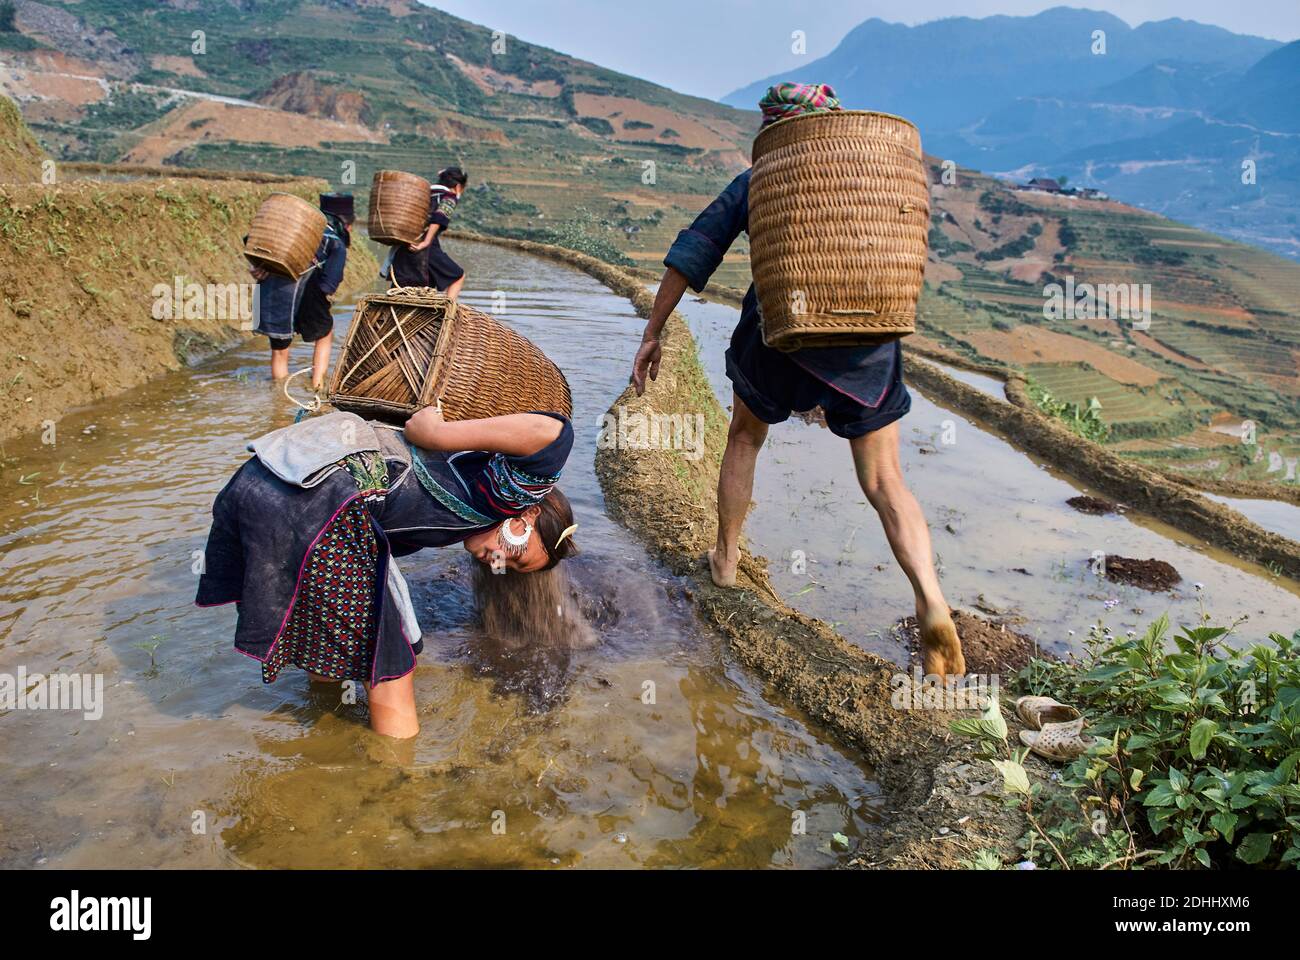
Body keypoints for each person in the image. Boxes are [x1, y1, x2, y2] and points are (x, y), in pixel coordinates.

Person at [630, 82, 966, 678]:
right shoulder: (875, 178)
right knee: (887, 480)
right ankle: (931, 599)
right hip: (869, 339)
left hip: (781, 333)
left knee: (744, 440)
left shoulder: (761, 179)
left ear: (774, 130)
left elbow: (693, 252)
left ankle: (726, 561)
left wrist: (653, 330)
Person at [195, 406, 579, 738]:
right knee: (391, 663)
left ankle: (325, 722)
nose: (499, 564)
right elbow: (555, 432)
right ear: (529, 516)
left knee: (332, 639)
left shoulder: (459, 506)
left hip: (261, 486)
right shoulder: (507, 495)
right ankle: (395, 788)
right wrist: (436, 432)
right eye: (519, 556)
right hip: (321, 504)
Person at [250, 192, 353, 391]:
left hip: (271, 292)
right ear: (346, 224)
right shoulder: (334, 241)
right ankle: (317, 385)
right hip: (308, 291)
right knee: (325, 333)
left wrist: (259, 269)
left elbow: (255, 246)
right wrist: (322, 295)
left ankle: (280, 398)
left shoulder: (292, 230)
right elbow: (330, 282)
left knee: (280, 350)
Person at [387, 166, 468, 299]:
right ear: (458, 186)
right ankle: (448, 315)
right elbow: (438, 217)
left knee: (404, 290)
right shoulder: (449, 197)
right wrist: (426, 242)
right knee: (458, 276)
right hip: (425, 248)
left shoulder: (424, 194)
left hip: (405, 246)